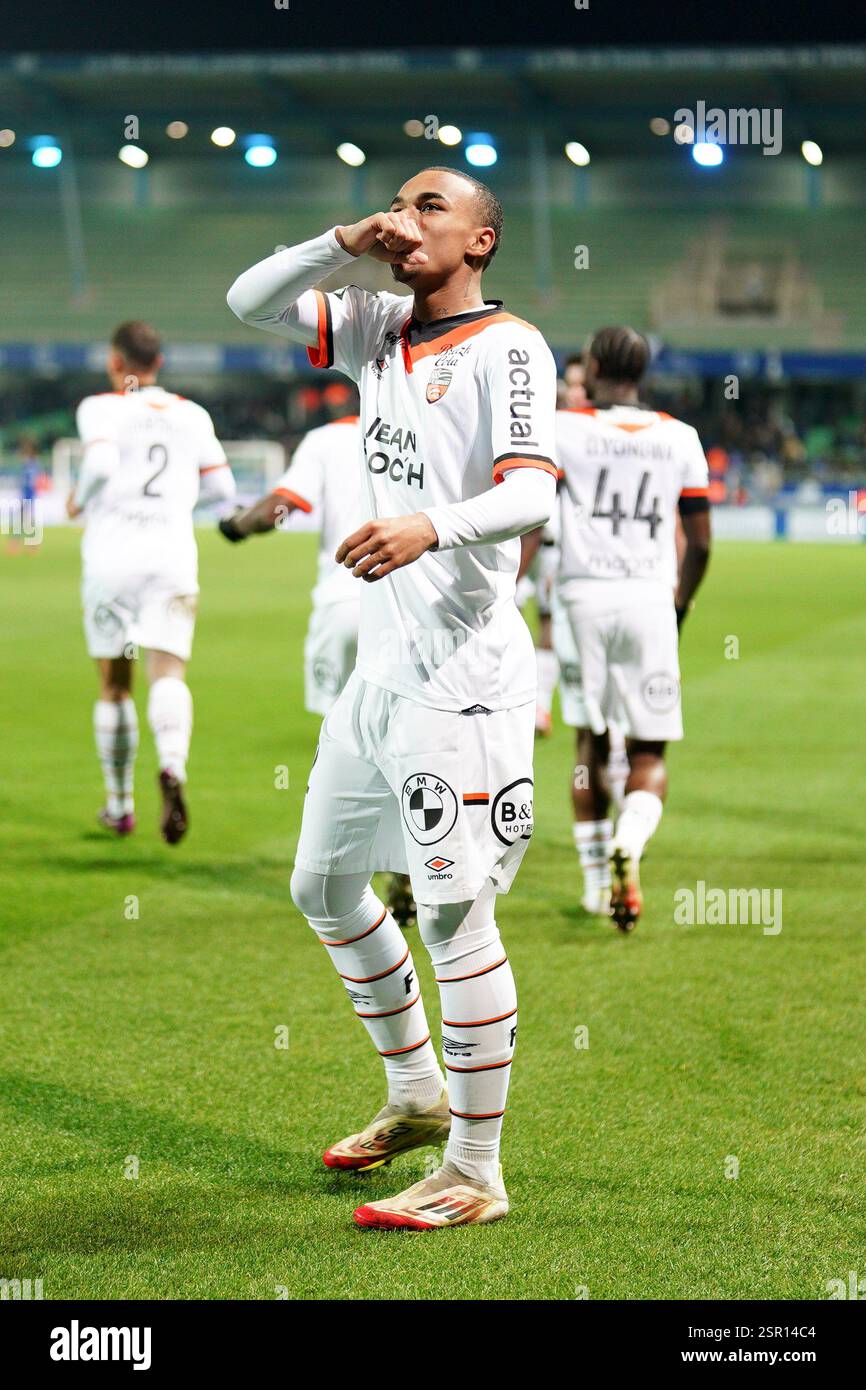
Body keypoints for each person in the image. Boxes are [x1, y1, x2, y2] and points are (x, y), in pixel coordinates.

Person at [227, 166, 557, 1229]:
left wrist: (430, 524)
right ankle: (415, 1093)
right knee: (323, 884)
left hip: (460, 681)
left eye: (431, 207)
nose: (405, 219)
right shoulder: (373, 323)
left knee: (456, 913)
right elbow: (248, 300)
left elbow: (530, 489)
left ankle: (475, 1167)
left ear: (480, 242)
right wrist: (339, 236)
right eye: (398, 202)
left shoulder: (509, 347)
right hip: (378, 674)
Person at [553, 327, 711, 930]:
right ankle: (632, 840)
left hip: (582, 598)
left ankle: (596, 886)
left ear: (593, 366)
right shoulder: (680, 437)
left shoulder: (564, 427)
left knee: (591, 742)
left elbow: (534, 513)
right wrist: (680, 603)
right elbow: (700, 542)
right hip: (649, 599)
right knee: (648, 749)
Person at [68, 321, 236, 843]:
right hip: (171, 559)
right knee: (167, 673)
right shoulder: (192, 415)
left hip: (112, 559)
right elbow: (223, 489)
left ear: (116, 363)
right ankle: (173, 766)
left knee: (115, 686)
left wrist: (79, 499)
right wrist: (177, 506)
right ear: (159, 363)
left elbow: (98, 461)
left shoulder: (101, 407)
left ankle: (120, 805)